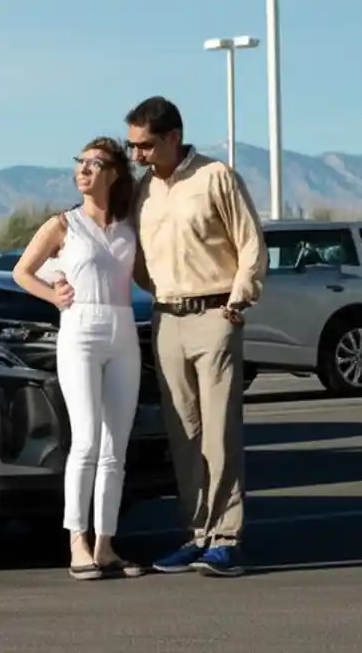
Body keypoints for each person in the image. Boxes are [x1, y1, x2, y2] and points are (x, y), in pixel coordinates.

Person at [113, 95, 265, 577]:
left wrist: (237, 301)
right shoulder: (145, 190)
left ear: (173, 137)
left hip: (215, 314)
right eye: (132, 146)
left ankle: (227, 539)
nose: (137, 154)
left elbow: (250, 242)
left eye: (145, 145)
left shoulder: (215, 177)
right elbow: (139, 257)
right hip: (166, 318)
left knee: (219, 434)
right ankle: (197, 535)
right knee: (183, 434)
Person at [13, 136, 146, 581]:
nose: (84, 169)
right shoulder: (63, 224)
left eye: (95, 163)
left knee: (115, 448)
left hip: (123, 331)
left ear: (114, 173)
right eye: (80, 162)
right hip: (80, 332)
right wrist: (53, 294)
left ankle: (106, 545)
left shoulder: (128, 225)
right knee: (86, 440)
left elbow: (145, 274)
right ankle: (77, 541)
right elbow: (21, 272)